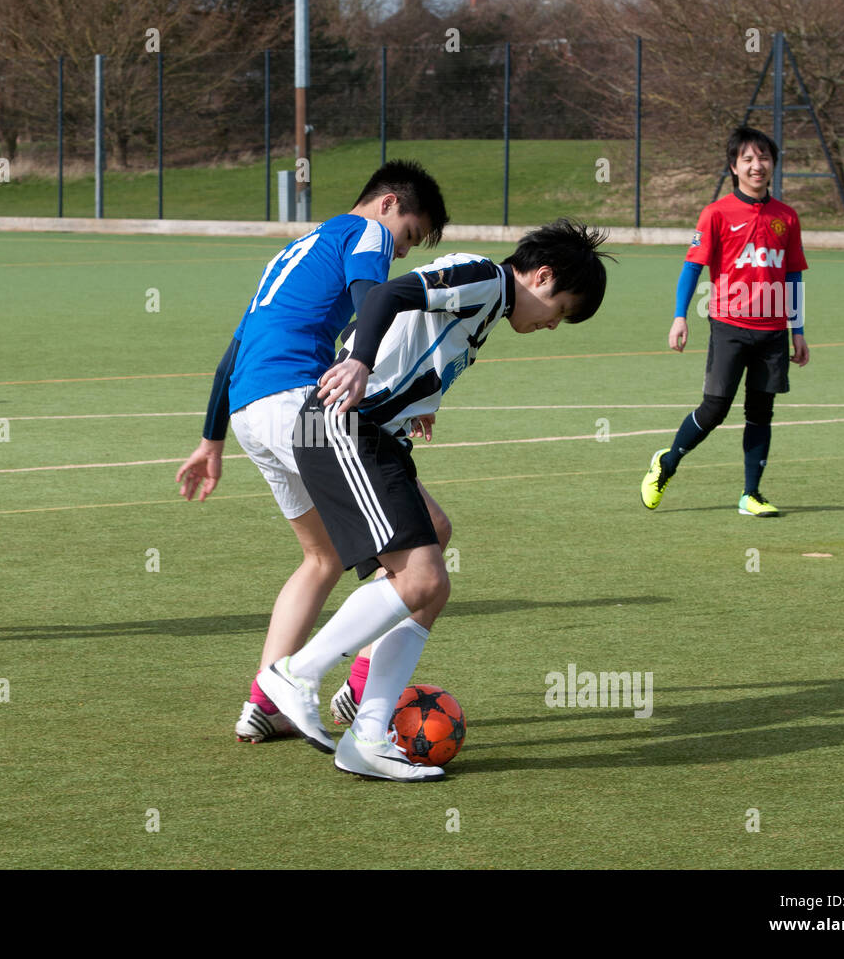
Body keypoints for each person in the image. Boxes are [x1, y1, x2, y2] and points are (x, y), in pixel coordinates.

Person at [257, 219, 612, 780]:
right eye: (560, 310)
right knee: (421, 579)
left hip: (378, 436)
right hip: (343, 426)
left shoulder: (489, 309)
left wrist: (422, 401)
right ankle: (296, 674)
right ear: (542, 276)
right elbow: (388, 294)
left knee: (434, 558)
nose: (552, 324)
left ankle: (367, 736)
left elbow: (419, 342)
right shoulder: (486, 278)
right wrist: (361, 361)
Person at [174, 161, 449, 742]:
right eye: (408, 236)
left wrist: (211, 438)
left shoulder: (298, 248)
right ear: (389, 204)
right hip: (300, 408)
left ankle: (264, 703)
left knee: (322, 558)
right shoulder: (367, 233)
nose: (400, 252)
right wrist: (381, 372)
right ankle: (359, 686)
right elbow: (373, 302)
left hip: (253, 414)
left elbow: (234, 350)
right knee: (431, 532)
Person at [640, 126, 808, 516]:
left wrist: (798, 331)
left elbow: (794, 275)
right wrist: (680, 317)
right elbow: (692, 268)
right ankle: (666, 464)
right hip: (729, 326)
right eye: (747, 159)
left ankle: (751, 494)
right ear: (734, 166)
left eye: (763, 158)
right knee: (715, 409)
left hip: (773, 331)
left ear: (773, 164)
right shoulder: (716, 213)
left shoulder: (787, 217)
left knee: (761, 413)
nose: (757, 166)